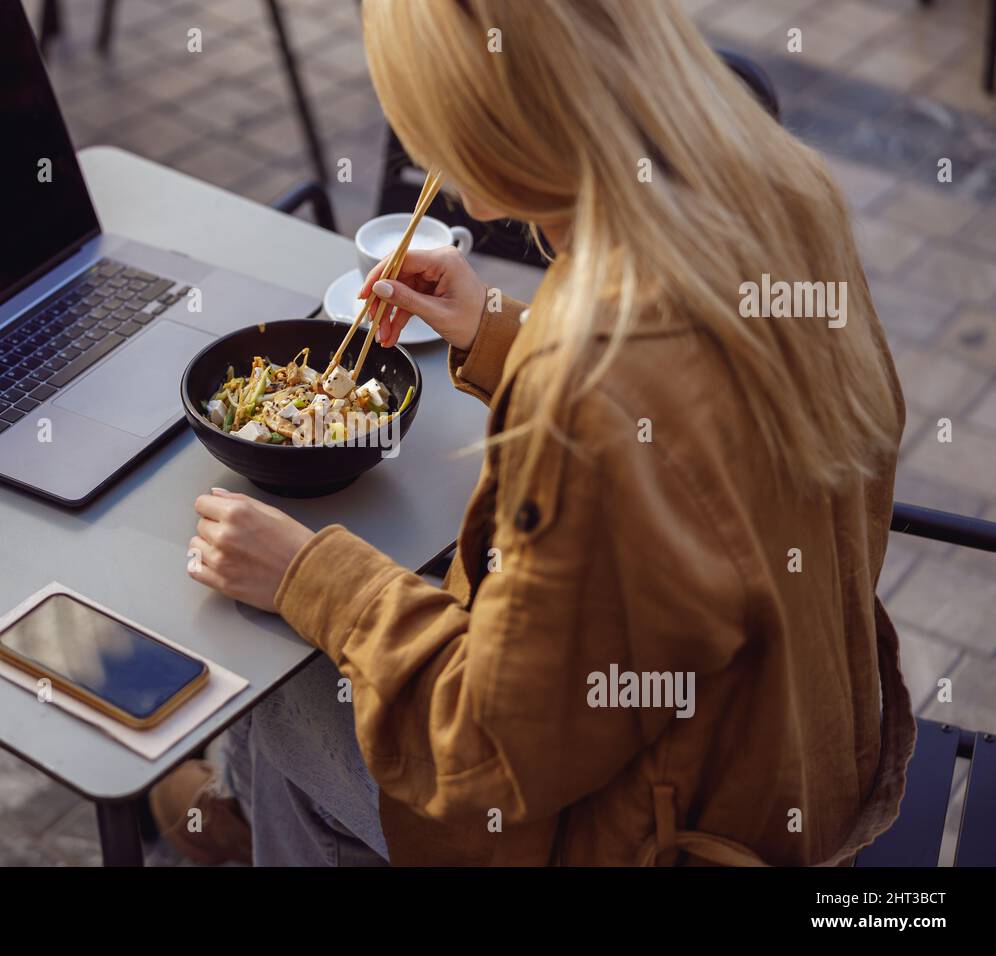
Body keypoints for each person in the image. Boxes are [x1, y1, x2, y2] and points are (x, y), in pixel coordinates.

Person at [151, 0, 913, 866]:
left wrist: (311, 575)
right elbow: (686, 437)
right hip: (799, 747)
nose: (425, 156)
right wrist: (494, 330)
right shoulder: (784, 189)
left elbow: (491, 752)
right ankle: (241, 824)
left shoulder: (590, 384)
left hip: (661, 831)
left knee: (279, 678)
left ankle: (247, 828)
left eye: (426, 126)